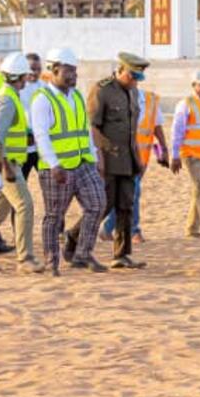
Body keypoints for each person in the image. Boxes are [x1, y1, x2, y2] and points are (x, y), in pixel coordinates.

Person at [32, 47, 108, 275]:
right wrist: (54, 164)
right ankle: (51, 261)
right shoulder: (42, 100)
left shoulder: (75, 95)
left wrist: (94, 156)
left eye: (75, 70)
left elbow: (83, 130)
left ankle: (82, 254)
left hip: (82, 163)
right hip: (57, 169)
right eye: (69, 71)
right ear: (54, 70)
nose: (74, 75)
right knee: (54, 217)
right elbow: (41, 135)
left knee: (97, 204)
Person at [72, 52, 152, 269]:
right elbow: (93, 127)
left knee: (126, 205)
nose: (135, 81)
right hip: (107, 159)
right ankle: (72, 240)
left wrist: (138, 159)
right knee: (102, 206)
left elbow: (131, 129)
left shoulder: (133, 93)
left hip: (128, 159)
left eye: (138, 78)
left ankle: (122, 254)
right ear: (121, 70)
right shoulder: (103, 90)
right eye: (132, 76)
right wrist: (98, 158)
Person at [0, 52, 38, 271]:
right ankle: (25, 259)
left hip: (6, 164)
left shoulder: (8, 95)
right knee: (24, 206)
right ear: (20, 77)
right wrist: (6, 168)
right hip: (7, 165)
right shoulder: (7, 100)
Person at [103, 82, 167, 244]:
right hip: (120, 156)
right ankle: (133, 230)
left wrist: (163, 150)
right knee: (133, 191)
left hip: (141, 158)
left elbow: (157, 127)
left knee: (124, 193)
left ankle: (106, 229)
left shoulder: (150, 100)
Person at [170, 70, 200, 240]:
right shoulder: (185, 104)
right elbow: (177, 131)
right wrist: (175, 155)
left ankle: (192, 229)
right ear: (194, 85)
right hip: (191, 154)